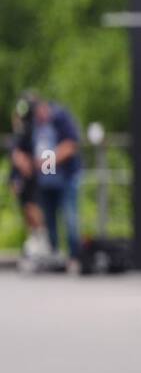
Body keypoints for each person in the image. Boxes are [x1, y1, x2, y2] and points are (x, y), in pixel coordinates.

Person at [12, 95, 82, 264]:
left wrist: (46, 160)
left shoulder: (61, 117)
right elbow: (19, 148)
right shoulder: (33, 124)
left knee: (70, 218)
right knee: (49, 219)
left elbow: (71, 146)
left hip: (65, 178)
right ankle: (54, 255)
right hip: (46, 180)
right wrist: (20, 166)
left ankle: (75, 257)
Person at [7, 94, 48, 260]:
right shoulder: (22, 130)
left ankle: (43, 240)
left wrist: (44, 171)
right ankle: (35, 239)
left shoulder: (40, 128)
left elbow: (45, 153)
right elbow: (16, 152)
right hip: (24, 174)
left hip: (34, 173)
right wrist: (14, 177)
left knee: (33, 206)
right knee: (26, 207)